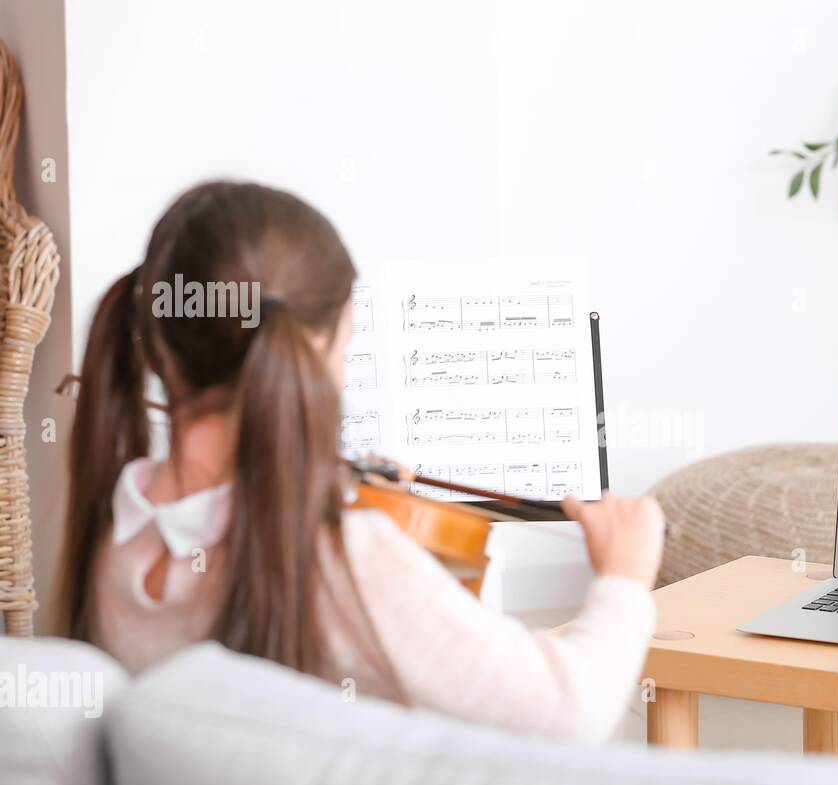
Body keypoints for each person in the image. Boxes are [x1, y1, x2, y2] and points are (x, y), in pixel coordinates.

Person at [57, 181, 664, 743]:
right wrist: (625, 577)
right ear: (310, 353)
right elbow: (568, 710)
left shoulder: (113, 529)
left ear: (160, 342)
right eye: (345, 348)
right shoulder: (344, 560)